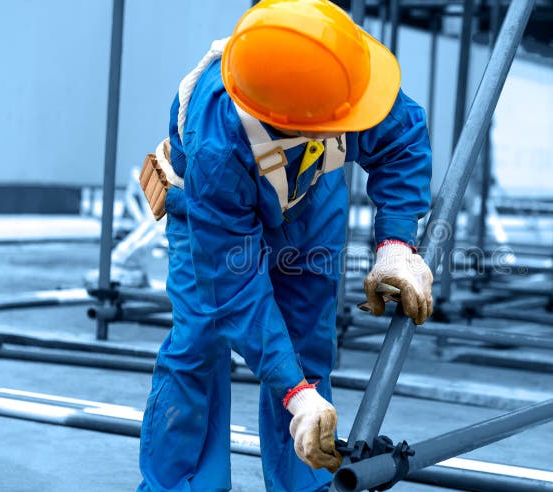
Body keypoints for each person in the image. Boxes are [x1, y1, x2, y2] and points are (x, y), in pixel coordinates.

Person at [137, 1, 434, 490]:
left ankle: (307, 482)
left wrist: (397, 245)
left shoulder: (337, 78)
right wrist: (295, 393)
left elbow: (401, 137)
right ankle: (181, 485)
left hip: (311, 194)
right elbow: (234, 290)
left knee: (307, 341)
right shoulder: (218, 143)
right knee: (201, 340)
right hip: (211, 209)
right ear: (296, 120)